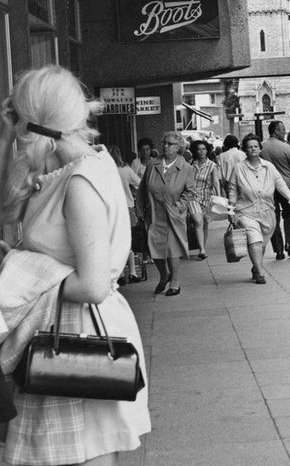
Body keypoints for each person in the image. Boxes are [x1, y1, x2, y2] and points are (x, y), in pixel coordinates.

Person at [0, 65, 150, 464]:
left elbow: (93, 286)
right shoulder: (83, 165)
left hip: (76, 340)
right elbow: (8, 210)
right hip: (63, 333)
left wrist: (24, 270)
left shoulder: (80, 181)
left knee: (83, 455)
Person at [227, 134, 290, 284]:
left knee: (261, 243)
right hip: (246, 211)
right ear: (245, 150)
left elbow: (280, 184)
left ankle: (256, 266)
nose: (253, 149)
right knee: (254, 238)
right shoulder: (239, 168)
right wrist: (230, 210)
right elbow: (232, 190)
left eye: (255, 146)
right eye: (249, 147)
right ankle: (260, 273)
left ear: (260, 149)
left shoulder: (269, 167)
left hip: (267, 212)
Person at [137, 130, 195, 296]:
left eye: (170, 144)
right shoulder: (153, 164)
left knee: (172, 248)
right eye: (164, 143)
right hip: (153, 212)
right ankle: (164, 276)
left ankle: (175, 282)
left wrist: (178, 206)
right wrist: (140, 210)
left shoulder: (185, 167)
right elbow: (142, 189)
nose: (165, 146)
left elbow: (190, 191)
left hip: (172, 214)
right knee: (154, 247)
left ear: (178, 147)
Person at [260, 120, 290, 260]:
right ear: (276, 131)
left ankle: (278, 250)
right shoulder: (285, 147)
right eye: (282, 129)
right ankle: (289, 243)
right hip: (286, 186)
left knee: (274, 218)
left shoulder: (261, 147)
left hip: (268, 187)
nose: (284, 132)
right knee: (288, 215)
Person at [108, 145, 142, 285]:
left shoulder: (104, 171)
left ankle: (120, 274)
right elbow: (140, 184)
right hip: (127, 207)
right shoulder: (126, 170)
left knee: (115, 242)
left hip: (110, 209)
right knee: (128, 241)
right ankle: (133, 272)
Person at [188, 139, 221, 260]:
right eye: (198, 149)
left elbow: (216, 182)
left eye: (203, 149)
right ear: (195, 151)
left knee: (205, 222)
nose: (201, 151)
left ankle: (203, 248)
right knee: (198, 221)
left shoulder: (212, 165)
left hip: (207, 197)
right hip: (193, 197)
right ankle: (201, 249)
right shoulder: (191, 165)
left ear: (207, 151)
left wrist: (219, 197)